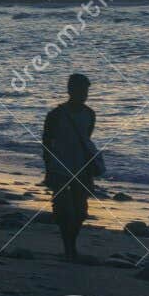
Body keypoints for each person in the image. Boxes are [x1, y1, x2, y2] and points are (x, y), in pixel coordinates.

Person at [43, 73, 103, 263]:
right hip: (59, 167)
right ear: (70, 90)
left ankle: (71, 244)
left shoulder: (90, 113)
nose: (84, 94)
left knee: (80, 211)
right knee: (63, 210)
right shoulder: (55, 114)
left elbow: (87, 138)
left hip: (82, 167)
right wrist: (49, 167)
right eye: (80, 90)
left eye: (86, 90)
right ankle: (69, 247)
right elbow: (46, 142)